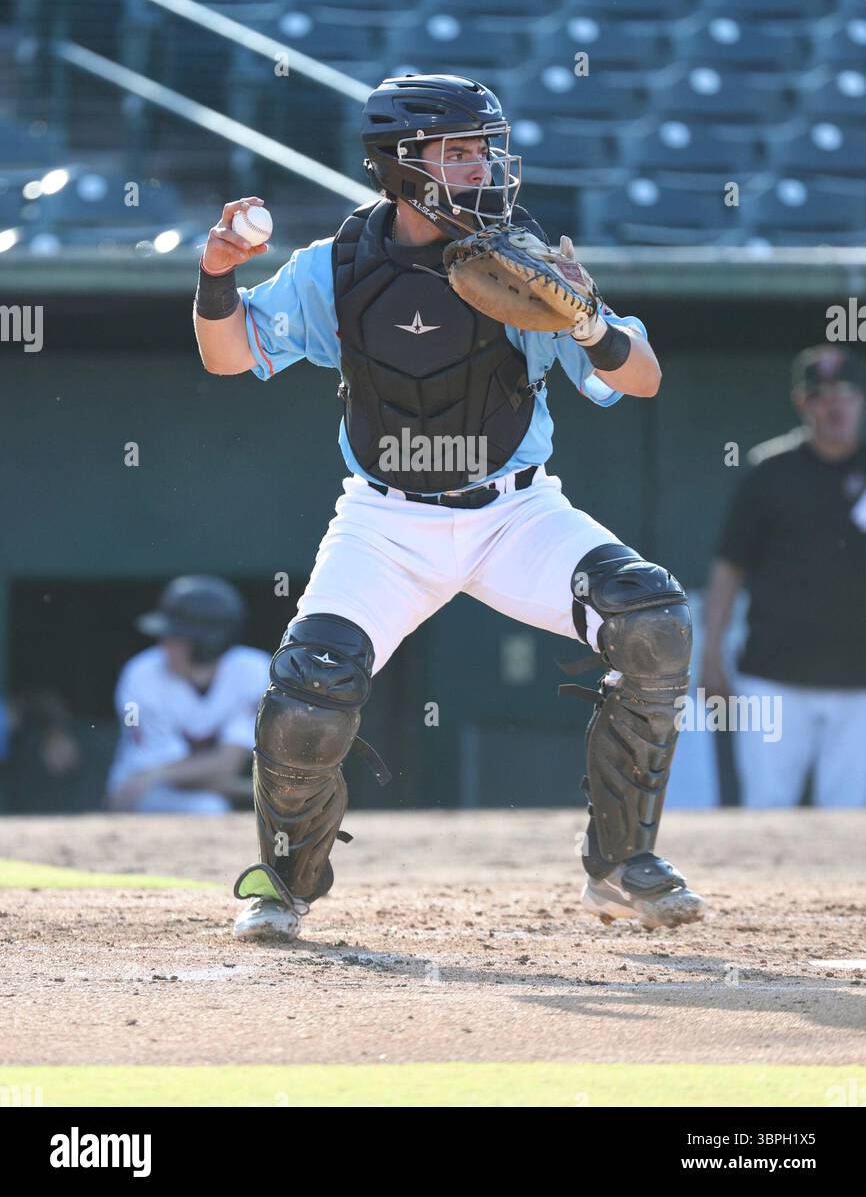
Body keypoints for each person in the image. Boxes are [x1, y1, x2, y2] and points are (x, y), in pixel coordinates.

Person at [193, 72, 705, 942]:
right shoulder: (338, 266)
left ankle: (621, 865)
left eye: (486, 150)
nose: (483, 169)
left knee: (652, 621)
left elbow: (640, 379)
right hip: (387, 523)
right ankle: (283, 881)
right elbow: (229, 356)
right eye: (459, 153)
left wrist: (584, 321)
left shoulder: (525, 259)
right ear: (402, 165)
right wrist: (214, 274)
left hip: (516, 513)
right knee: (308, 695)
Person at [701, 345, 866, 807]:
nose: (834, 404)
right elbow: (729, 564)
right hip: (772, 680)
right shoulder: (768, 471)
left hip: (860, 685)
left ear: (861, 399)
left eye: (846, 392)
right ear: (802, 403)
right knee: (766, 811)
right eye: (821, 394)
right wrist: (713, 650)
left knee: (853, 826)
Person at [106, 575, 270, 813]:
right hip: (140, 791)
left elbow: (229, 762)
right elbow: (166, 775)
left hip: (199, 787)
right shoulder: (142, 674)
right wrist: (256, 791)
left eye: (177, 638)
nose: (164, 645)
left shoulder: (253, 670)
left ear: (210, 642)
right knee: (207, 808)